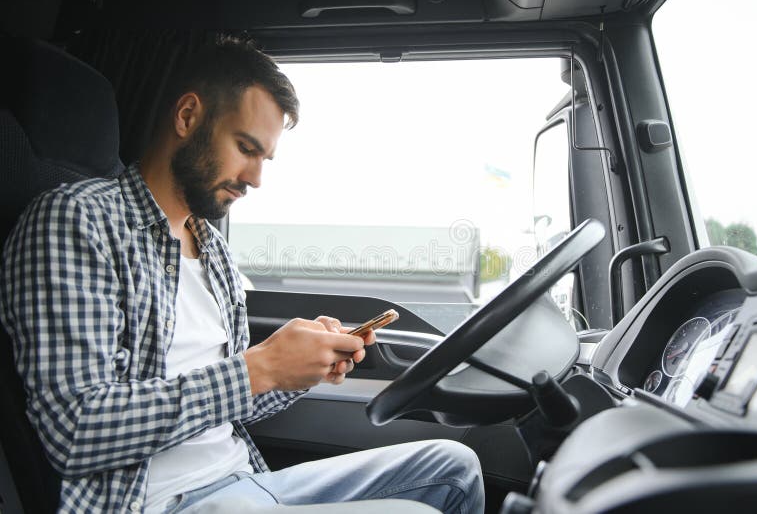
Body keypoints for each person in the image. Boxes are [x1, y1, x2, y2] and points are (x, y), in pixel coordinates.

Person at [0, 38, 484, 513]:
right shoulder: (76, 220)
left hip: (245, 481)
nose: (255, 179)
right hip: (155, 502)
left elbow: (230, 402)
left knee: (455, 466)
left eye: (264, 159)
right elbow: (75, 430)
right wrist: (260, 367)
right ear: (188, 116)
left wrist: (297, 370)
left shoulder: (214, 252)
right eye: (245, 148)